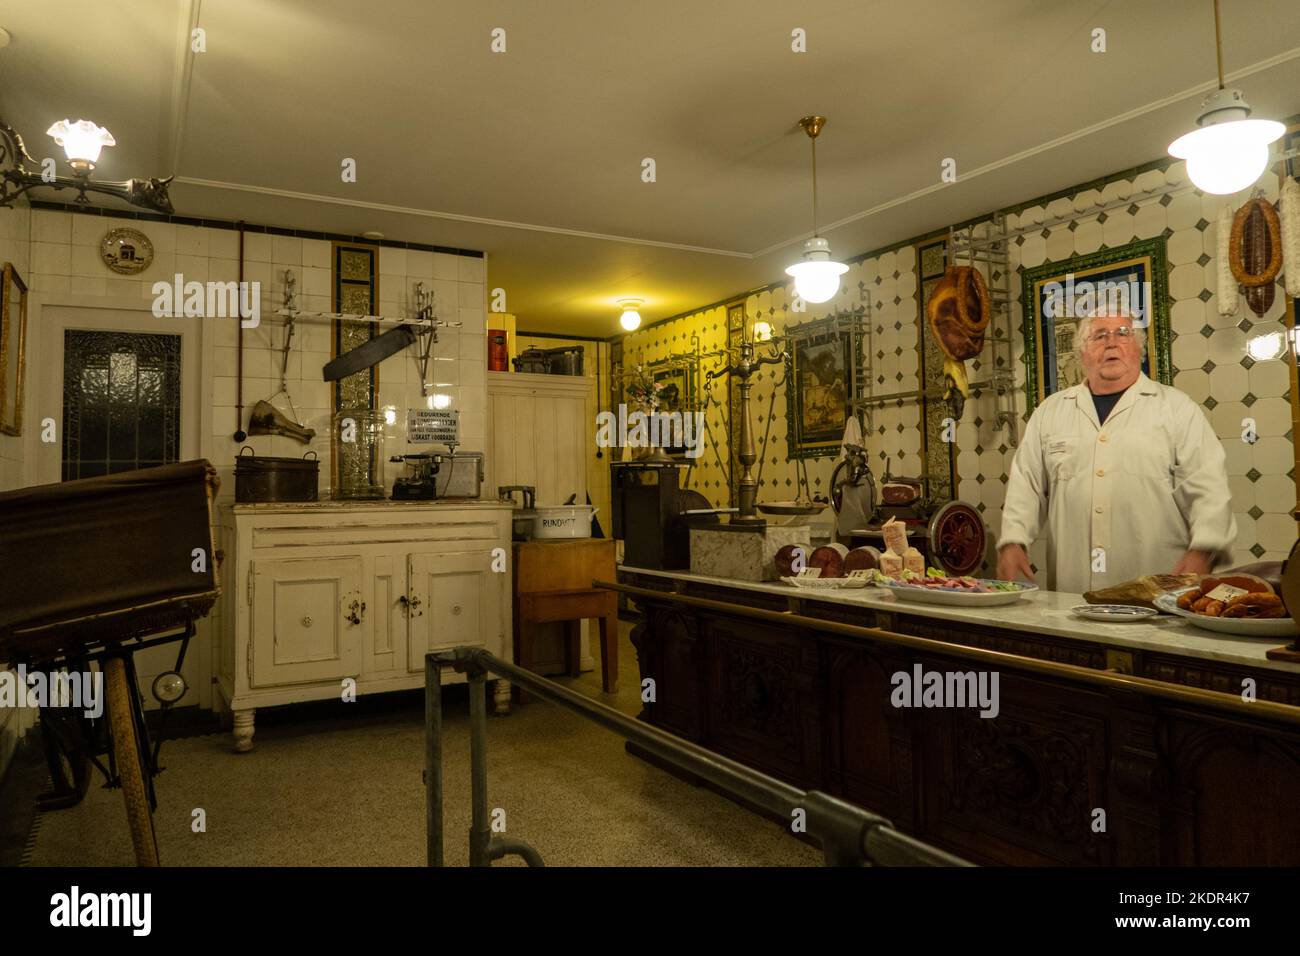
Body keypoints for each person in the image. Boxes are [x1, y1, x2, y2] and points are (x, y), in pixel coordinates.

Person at [996, 306, 1236, 593]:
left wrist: (1204, 550)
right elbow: (1027, 485)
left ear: (1138, 348)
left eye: (1123, 333)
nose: (1111, 342)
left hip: (1159, 591)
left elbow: (1207, 485)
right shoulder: (1051, 412)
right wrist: (1012, 541)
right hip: (1073, 594)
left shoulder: (1176, 408)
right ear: (1082, 353)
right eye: (1099, 336)